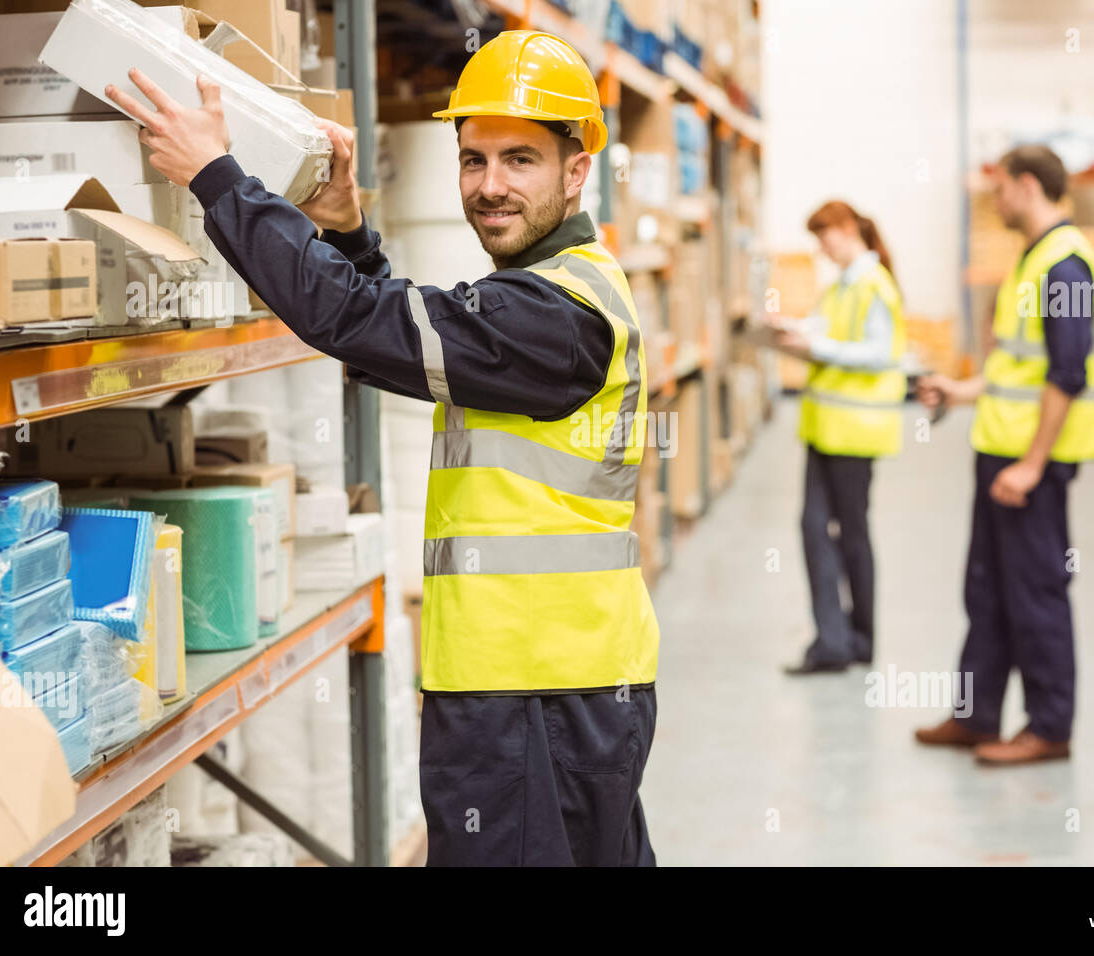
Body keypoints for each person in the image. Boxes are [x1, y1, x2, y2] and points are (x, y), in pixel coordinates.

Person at [106, 30, 660, 865]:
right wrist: (351, 234)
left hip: (533, 690)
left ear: (576, 171)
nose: (490, 186)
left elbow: (365, 324)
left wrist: (216, 178)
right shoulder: (549, 294)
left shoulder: (557, 314)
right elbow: (411, 337)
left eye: (520, 160)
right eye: (474, 161)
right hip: (558, 682)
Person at [914, 145, 1094, 765]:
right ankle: (978, 717)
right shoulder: (1034, 260)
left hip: (1031, 467)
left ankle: (1050, 727)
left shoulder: (1066, 266)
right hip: (1000, 453)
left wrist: (1031, 464)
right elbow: (1013, 373)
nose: (995, 201)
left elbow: (1068, 372)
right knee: (989, 590)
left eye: (1000, 189)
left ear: (1027, 186)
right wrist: (960, 389)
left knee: (1035, 592)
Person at [773, 201, 906, 674]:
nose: (822, 247)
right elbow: (828, 329)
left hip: (855, 430)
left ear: (849, 230)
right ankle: (840, 640)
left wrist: (815, 347)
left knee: (850, 534)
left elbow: (879, 353)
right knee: (821, 529)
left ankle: (853, 640)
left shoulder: (874, 284)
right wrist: (793, 331)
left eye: (825, 235)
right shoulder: (844, 285)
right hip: (827, 428)